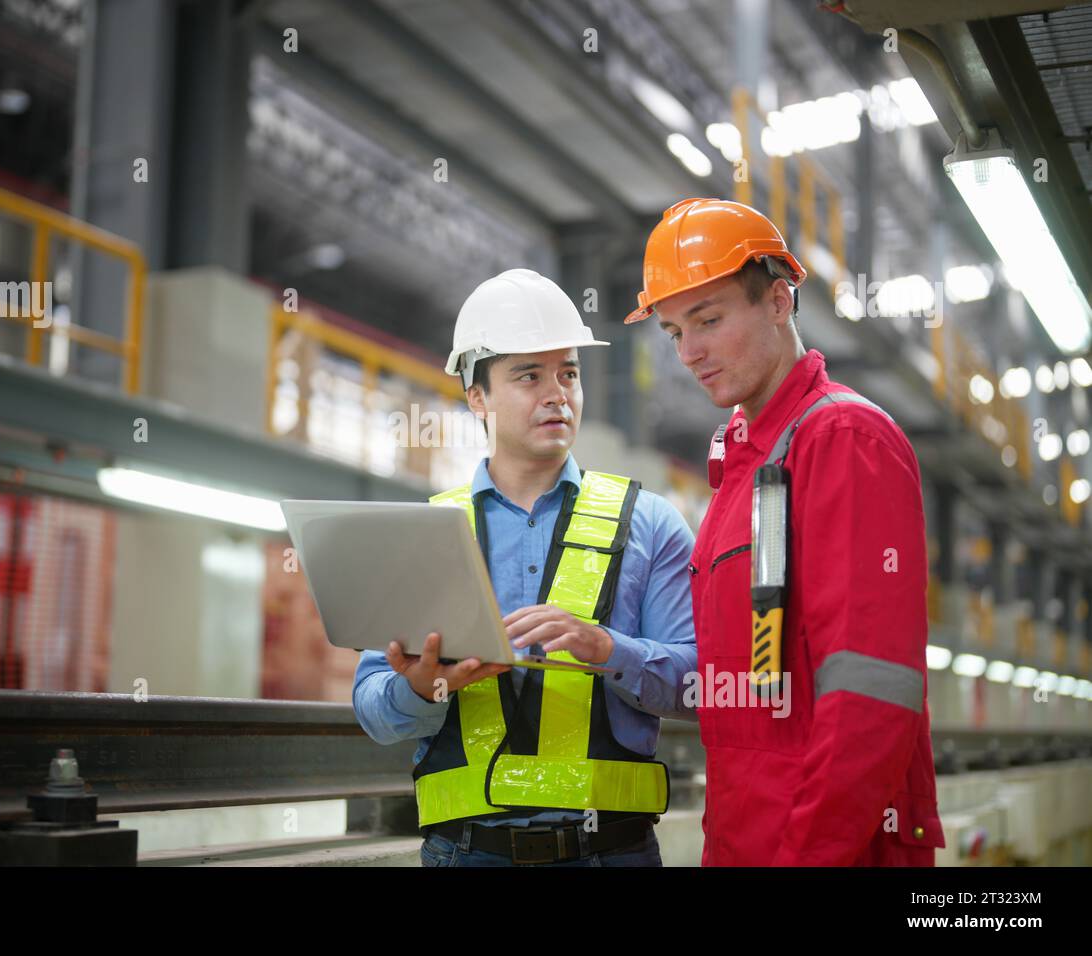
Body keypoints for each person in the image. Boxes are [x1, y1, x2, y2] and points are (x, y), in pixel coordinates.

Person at [624, 198, 945, 865]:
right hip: (745, 838)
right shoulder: (743, 471)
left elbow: (871, 691)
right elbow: (744, 690)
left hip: (828, 848)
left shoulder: (845, 440)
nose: (689, 352)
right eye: (674, 331)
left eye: (708, 321)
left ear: (778, 300)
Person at [353, 268, 697, 866]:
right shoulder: (427, 534)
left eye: (569, 372)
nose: (557, 393)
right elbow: (374, 709)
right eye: (528, 376)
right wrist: (423, 686)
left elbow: (697, 686)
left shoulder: (652, 523)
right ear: (477, 395)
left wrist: (608, 649)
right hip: (466, 855)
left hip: (614, 852)